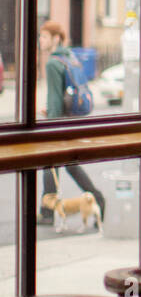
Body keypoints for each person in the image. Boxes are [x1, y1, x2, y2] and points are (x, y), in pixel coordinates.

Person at [39, 21, 106, 224]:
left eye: (43, 37)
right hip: (72, 120)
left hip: (60, 122)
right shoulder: (70, 57)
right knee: (69, 165)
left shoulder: (52, 63)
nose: (40, 41)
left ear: (56, 38)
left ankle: (48, 212)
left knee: (50, 164)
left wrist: (50, 122)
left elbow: (55, 100)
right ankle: (98, 199)